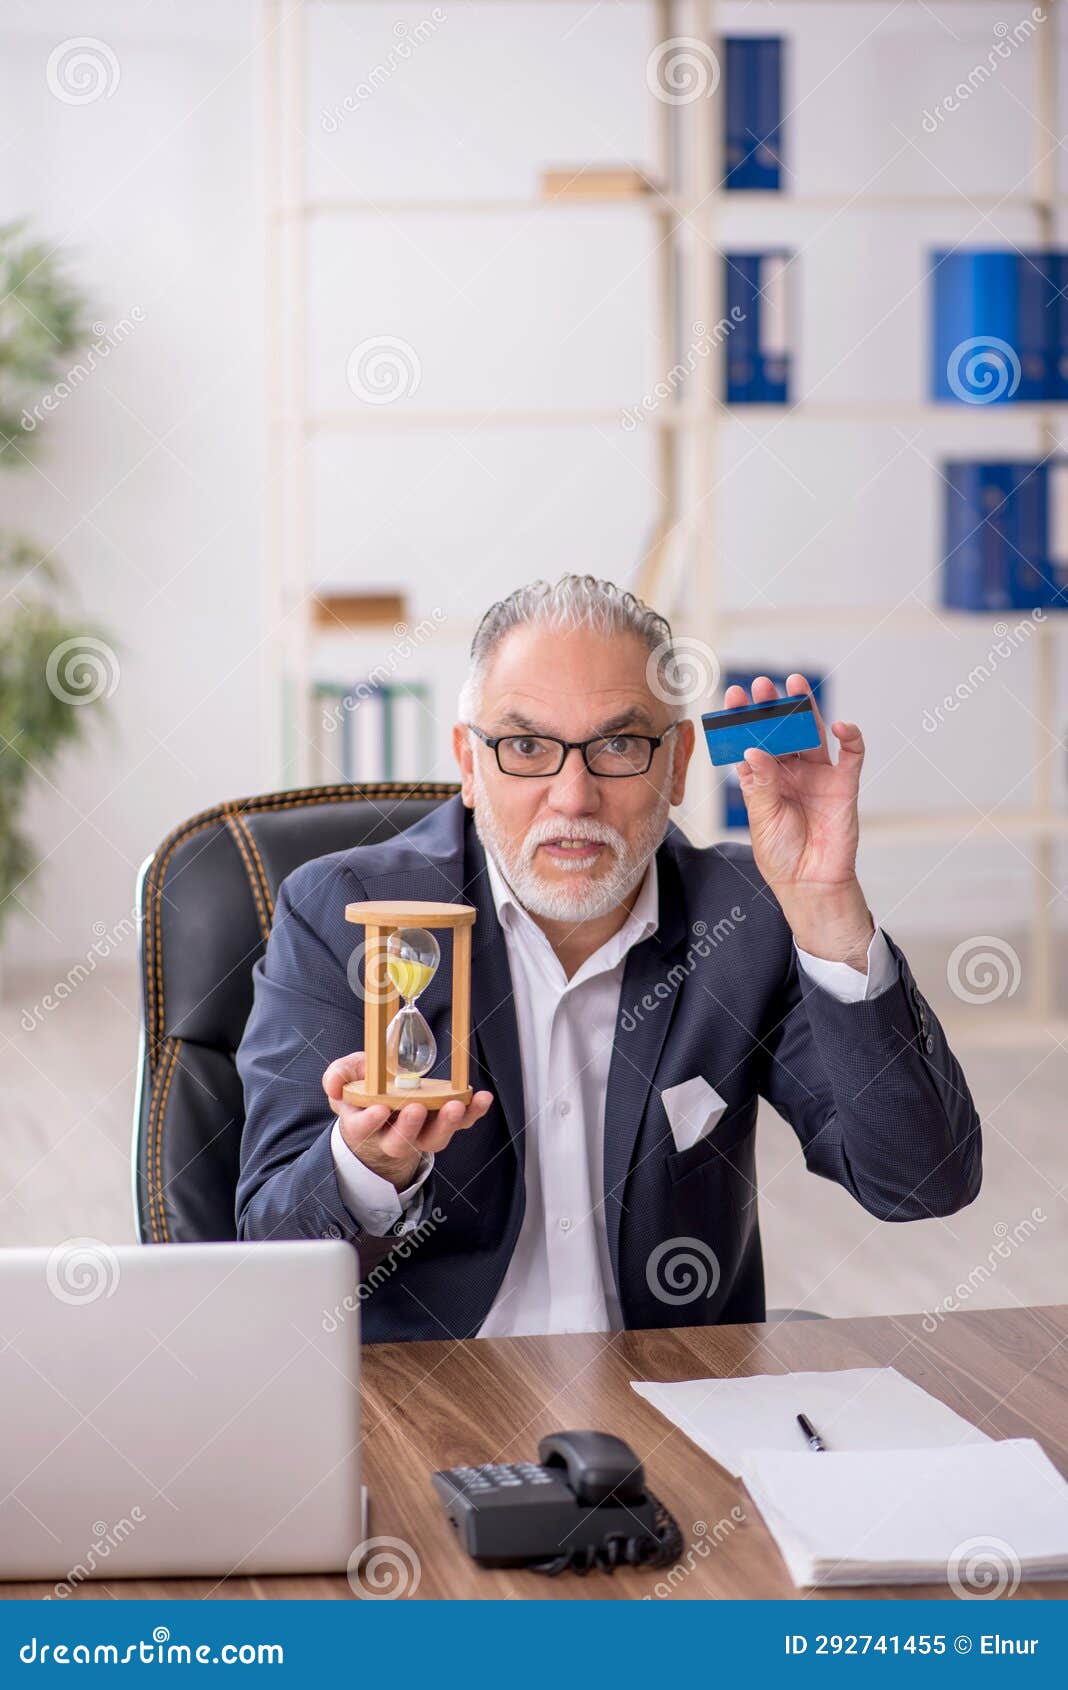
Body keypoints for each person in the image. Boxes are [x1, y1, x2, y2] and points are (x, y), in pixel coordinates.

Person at [236, 574, 981, 1341]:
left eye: (619, 745)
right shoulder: (345, 914)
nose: (572, 797)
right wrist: (369, 1166)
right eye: (526, 747)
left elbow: (922, 1182)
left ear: (679, 760)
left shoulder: (749, 916)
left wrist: (828, 909)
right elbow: (264, 1247)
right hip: (437, 1407)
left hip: (675, 1404)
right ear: (468, 761)